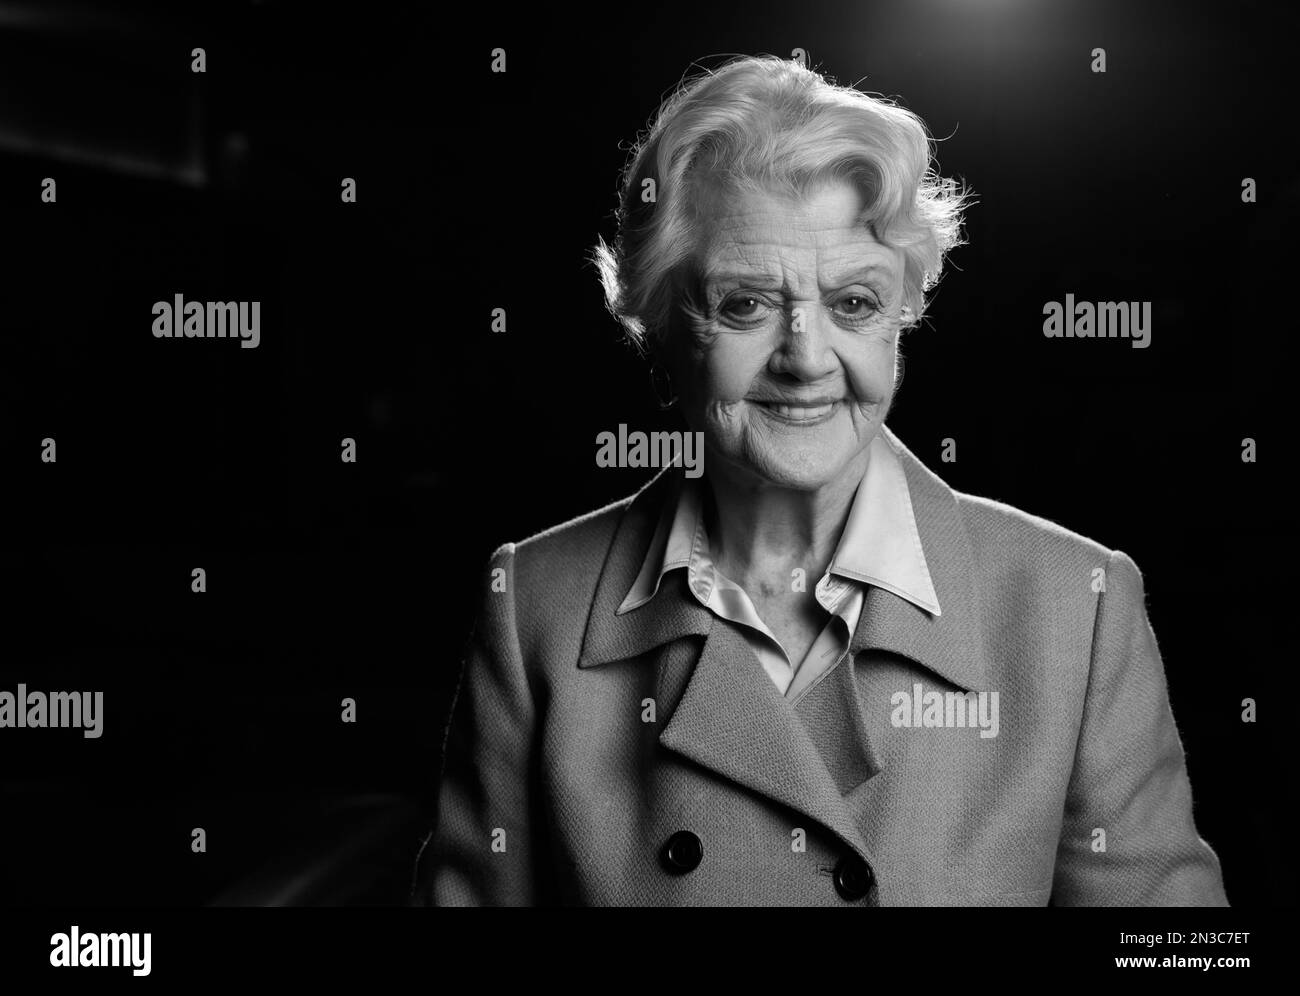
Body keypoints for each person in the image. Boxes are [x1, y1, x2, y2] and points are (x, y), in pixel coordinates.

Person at [414, 54, 1228, 906]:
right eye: (745, 305)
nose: (806, 360)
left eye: (853, 305)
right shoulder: (535, 605)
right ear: (660, 328)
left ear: (902, 320)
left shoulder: (1076, 603)